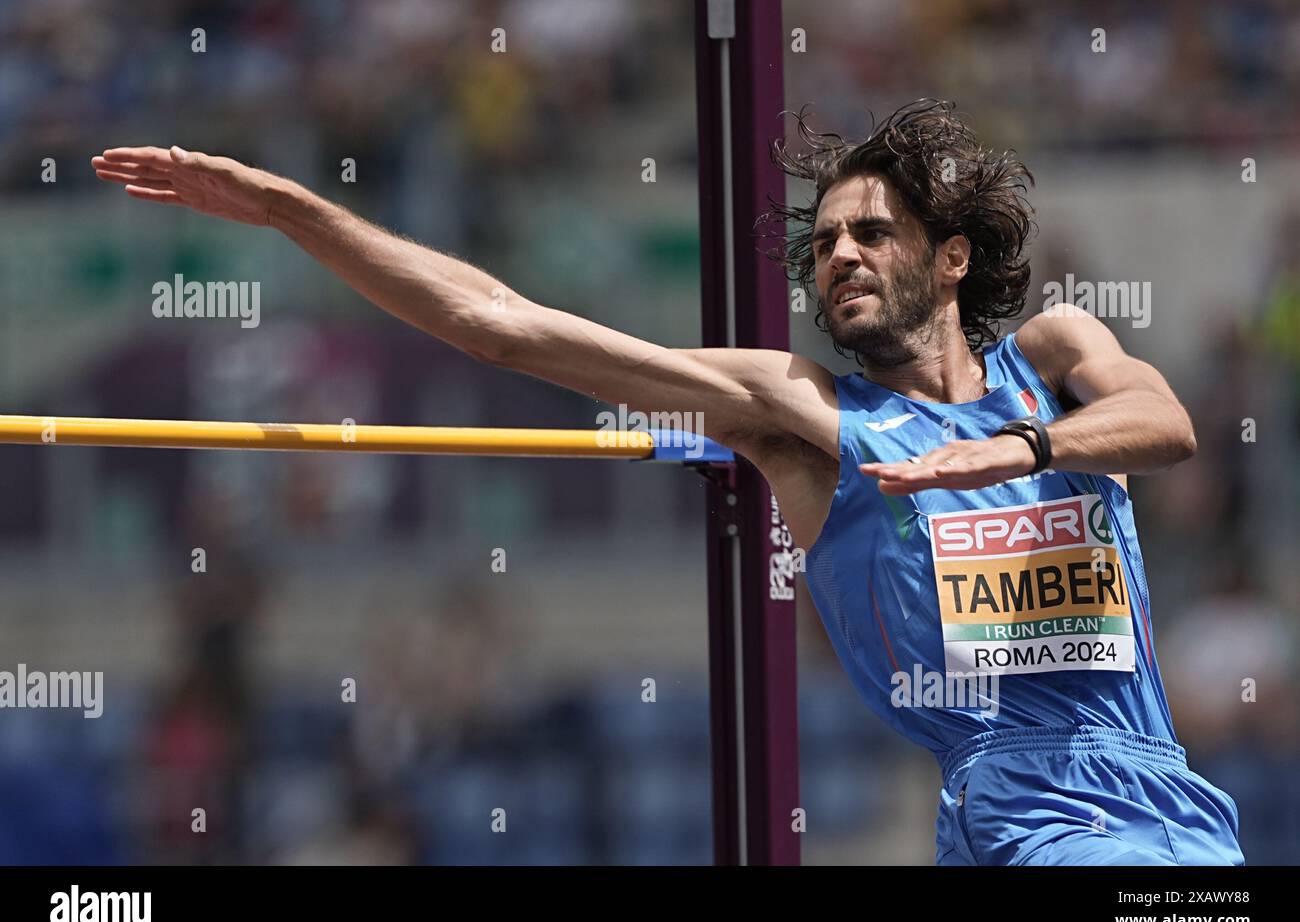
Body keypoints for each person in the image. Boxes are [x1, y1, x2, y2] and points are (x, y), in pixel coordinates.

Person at [92, 99, 1243, 866]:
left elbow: (1167, 424)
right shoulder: (808, 414)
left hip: (1174, 798)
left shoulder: (1051, 356)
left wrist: (1024, 449)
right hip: (1030, 815)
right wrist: (296, 211)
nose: (837, 254)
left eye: (872, 233)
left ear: (951, 258)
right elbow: (505, 327)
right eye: (825, 240)